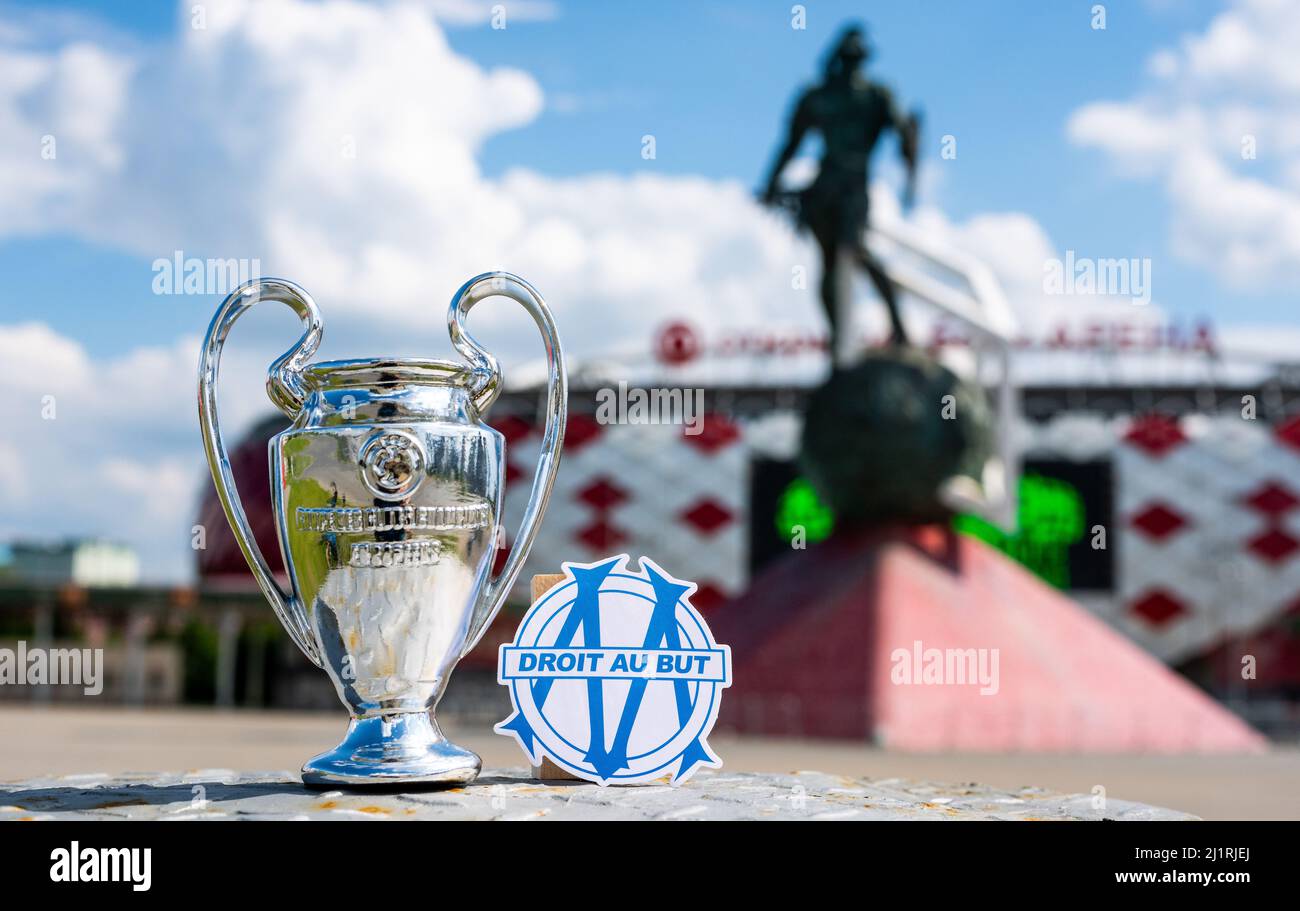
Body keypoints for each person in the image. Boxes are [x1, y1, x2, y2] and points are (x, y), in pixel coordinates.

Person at [761, 24, 919, 350]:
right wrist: (770, 184)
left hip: (851, 188)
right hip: (825, 189)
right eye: (848, 60)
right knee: (832, 266)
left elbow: (902, 133)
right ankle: (840, 341)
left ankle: (897, 328)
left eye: (856, 60)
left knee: (856, 251)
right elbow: (790, 144)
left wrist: (909, 142)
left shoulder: (874, 96)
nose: (851, 67)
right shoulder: (821, 97)